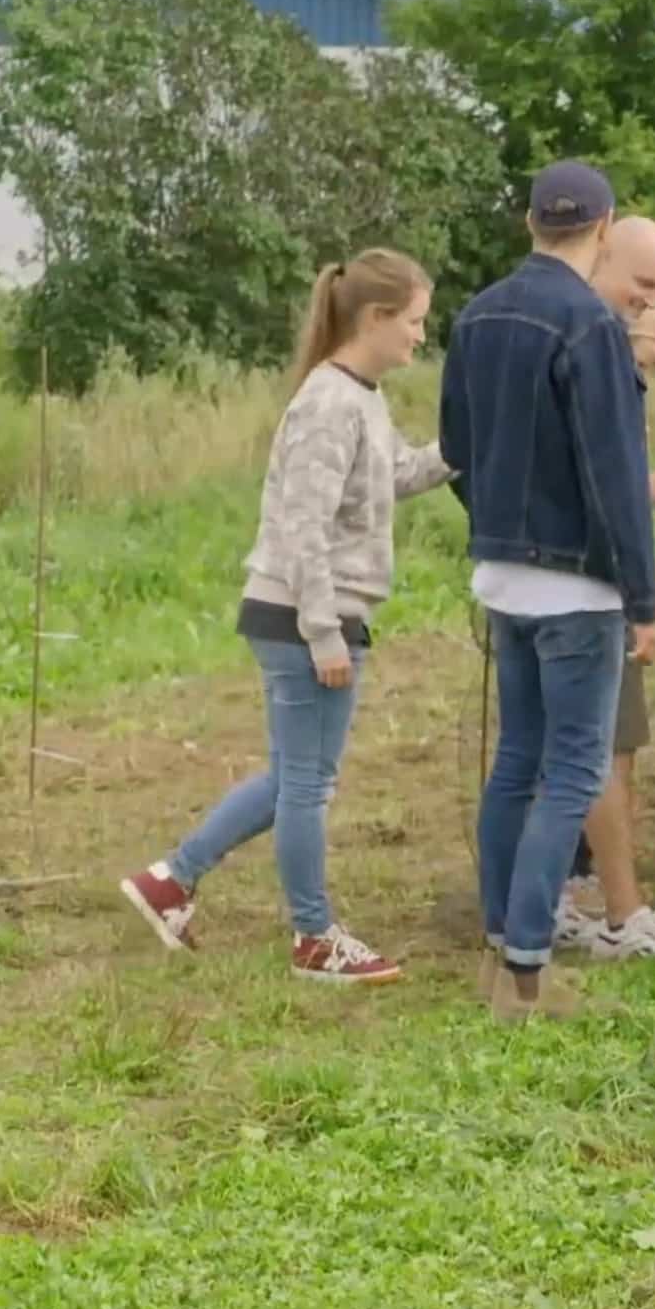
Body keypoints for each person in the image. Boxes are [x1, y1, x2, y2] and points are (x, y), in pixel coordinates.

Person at [120, 249, 450, 984]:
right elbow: (304, 527)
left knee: (295, 777)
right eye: (415, 321)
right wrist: (324, 632)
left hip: (308, 615)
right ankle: (314, 936)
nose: (421, 336)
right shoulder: (329, 404)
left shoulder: (362, 397)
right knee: (307, 786)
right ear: (375, 317)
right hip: (302, 617)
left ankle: (170, 881)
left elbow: (394, 475)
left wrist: (462, 450)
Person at [441, 162, 655, 1022]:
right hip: (577, 584)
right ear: (603, 229)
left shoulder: (476, 314)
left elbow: (457, 446)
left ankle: (501, 938)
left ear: (530, 223)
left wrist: (496, 524)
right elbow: (614, 473)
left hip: (502, 573)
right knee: (573, 771)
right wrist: (644, 600)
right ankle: (527, 970)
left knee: (517, 762)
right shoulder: (591, 324)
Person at [553, 219, 655, 967]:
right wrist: (645, 602)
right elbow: (593, 483)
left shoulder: (565, 349)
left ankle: (553, 898)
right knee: (604, 752)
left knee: (575, 750)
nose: (648, 308)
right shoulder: (589, 357)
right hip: (590, 592)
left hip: (564, 585)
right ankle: (621, 912)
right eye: (643, 290)